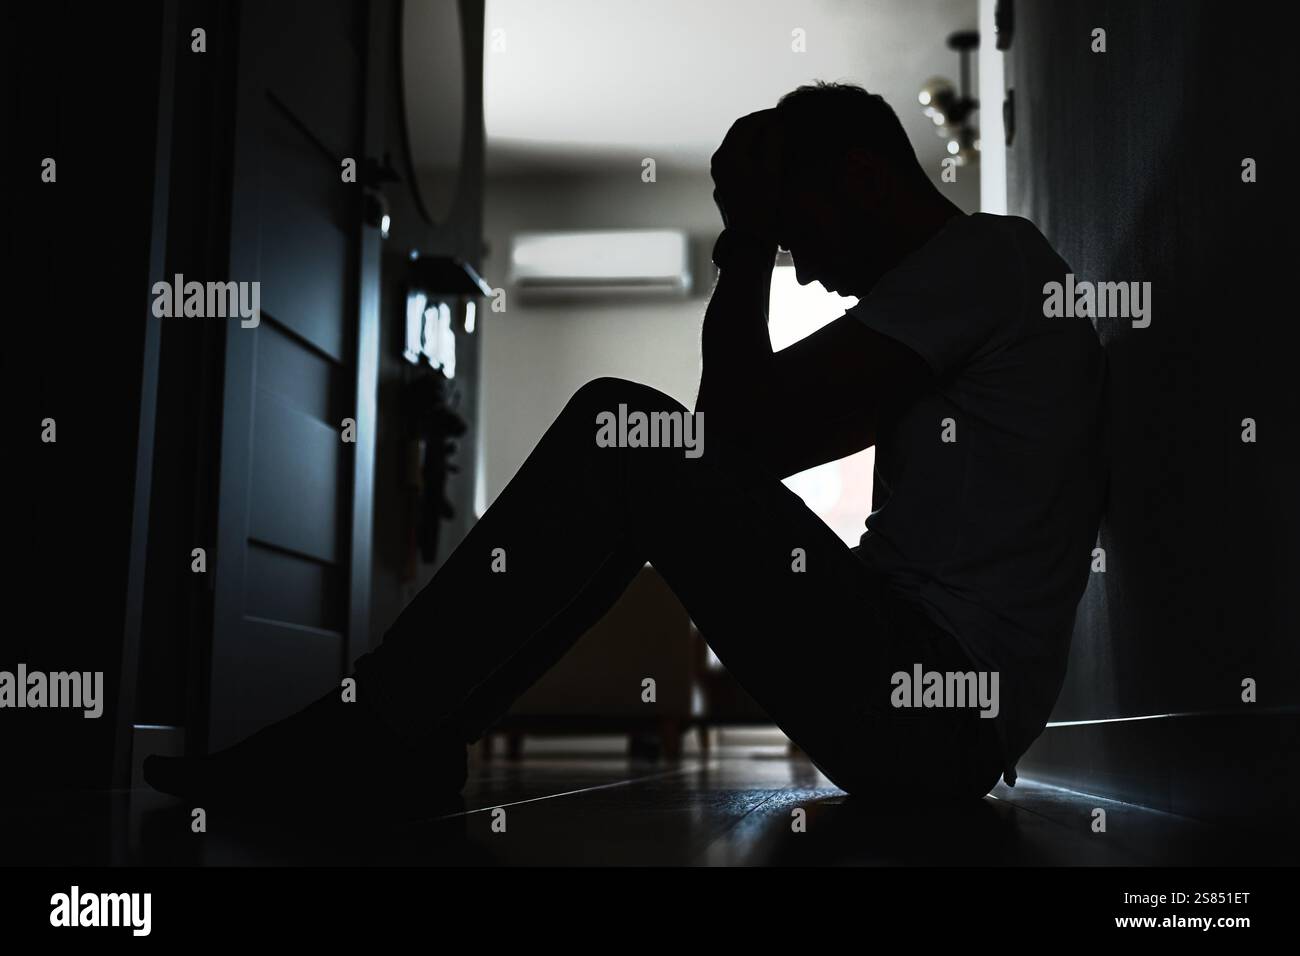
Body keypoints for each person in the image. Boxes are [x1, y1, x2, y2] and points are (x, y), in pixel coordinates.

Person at [145, 82, 1107, 816]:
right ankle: (401, 738)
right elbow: (733, 451)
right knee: (631, 442)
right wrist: (758, 234)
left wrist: (746, 240)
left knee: (622, 427)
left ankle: (378, 732)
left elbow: (732, 438)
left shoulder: (986, 259)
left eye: (800, 230)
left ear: (862, 176)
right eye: (787, 242)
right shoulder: (972, 290)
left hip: (930, 707)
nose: (809, 269)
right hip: (926, 711)